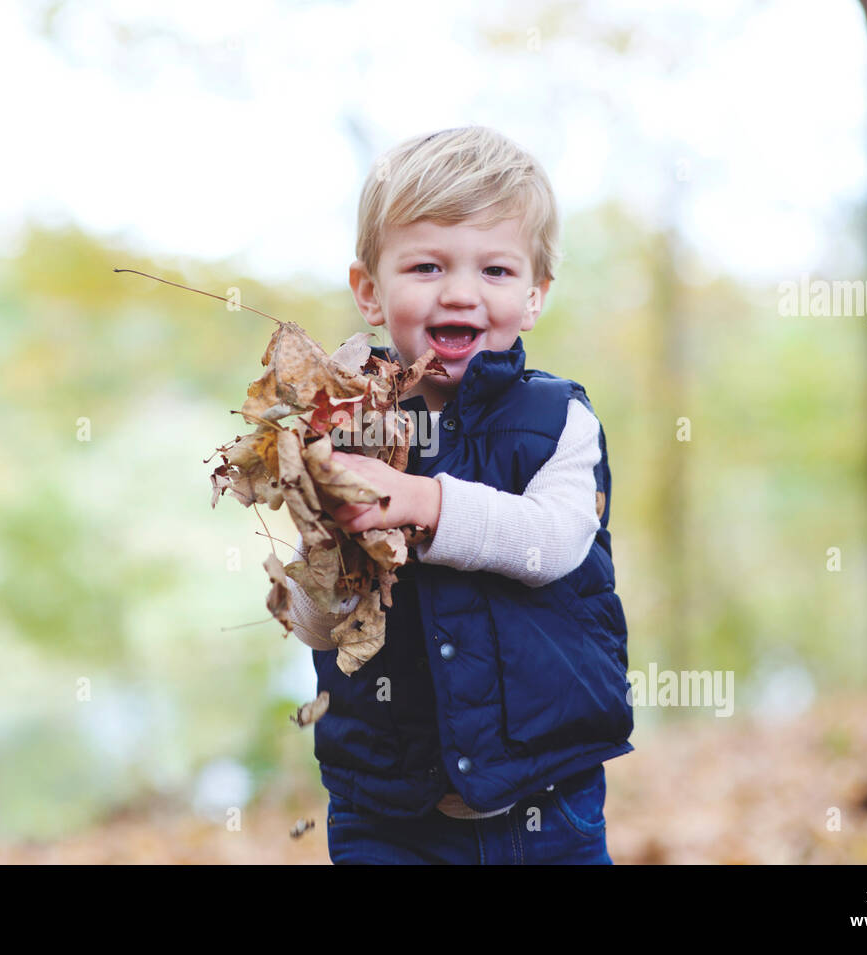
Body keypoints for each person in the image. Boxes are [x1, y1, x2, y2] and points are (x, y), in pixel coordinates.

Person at [284, 125, 634, 864]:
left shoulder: (556, 420)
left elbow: (553, 542)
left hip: (547, 798)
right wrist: (318, 563)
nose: (461, 292)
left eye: (497, 271)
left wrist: (423, 502)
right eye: (427, 265)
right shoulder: (346, 431)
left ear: (535, 296)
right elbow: (330, 624)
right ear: (370, 292)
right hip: (389, 809)